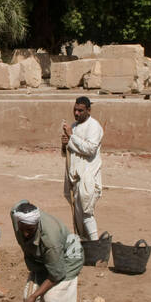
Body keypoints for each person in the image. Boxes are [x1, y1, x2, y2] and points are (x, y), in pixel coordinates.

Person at [10, 200, 83, 302]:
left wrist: (35, 295)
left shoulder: (50, 241)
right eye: (23, 228)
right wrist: (32, 297)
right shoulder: (16, 214)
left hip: (68, 259)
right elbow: (23, 203)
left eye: (30, 230)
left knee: (52, 299)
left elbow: (57, 273)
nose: (25, 234)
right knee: (28, 299)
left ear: (37, 224)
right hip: (42, 260)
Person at [62, 96, 103, 240]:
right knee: (77, 216)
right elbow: (68, 152)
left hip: (88, 177)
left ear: (88, 110)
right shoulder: (73, 126)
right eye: (75, 110)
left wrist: (71, 137)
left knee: (87, 212)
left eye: (80, 110)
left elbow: (90, 149)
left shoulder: (94, 127)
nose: (77, 113)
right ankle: (85, 246)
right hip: (75, 179)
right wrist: (65, 143)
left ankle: (96, 244)